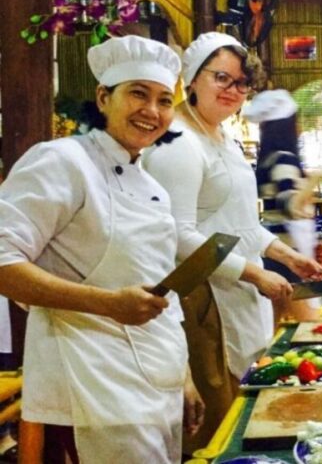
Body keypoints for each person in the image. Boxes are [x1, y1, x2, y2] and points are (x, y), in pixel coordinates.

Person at [0, 35, 201, 463]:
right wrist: (108, 304)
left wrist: (182, 376)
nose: (152, 111)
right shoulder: (62, 160)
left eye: (164, 100)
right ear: (104, 97)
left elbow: (160, 286)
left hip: (156, 382)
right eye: (138, 94)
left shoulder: (151, 186)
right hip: (92, 384)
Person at [142, 32, 322, 452]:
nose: (233, 90)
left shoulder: (223, 137)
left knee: (244, 412)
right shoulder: (178, 144)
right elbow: (178, 235)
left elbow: (242, 224)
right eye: (221, 78)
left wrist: (286, 255)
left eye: (242, 83)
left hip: (238, 294)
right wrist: (254, 273)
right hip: (204, 301)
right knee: (217, 427)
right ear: (192, 77)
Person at [243, 89, 322, 321]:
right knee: (313, 325)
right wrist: (318, 177)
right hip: (288, 257)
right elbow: (292, 206)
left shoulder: (269, 159)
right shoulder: (284, 158)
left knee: (273, 326)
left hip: (274, 254)